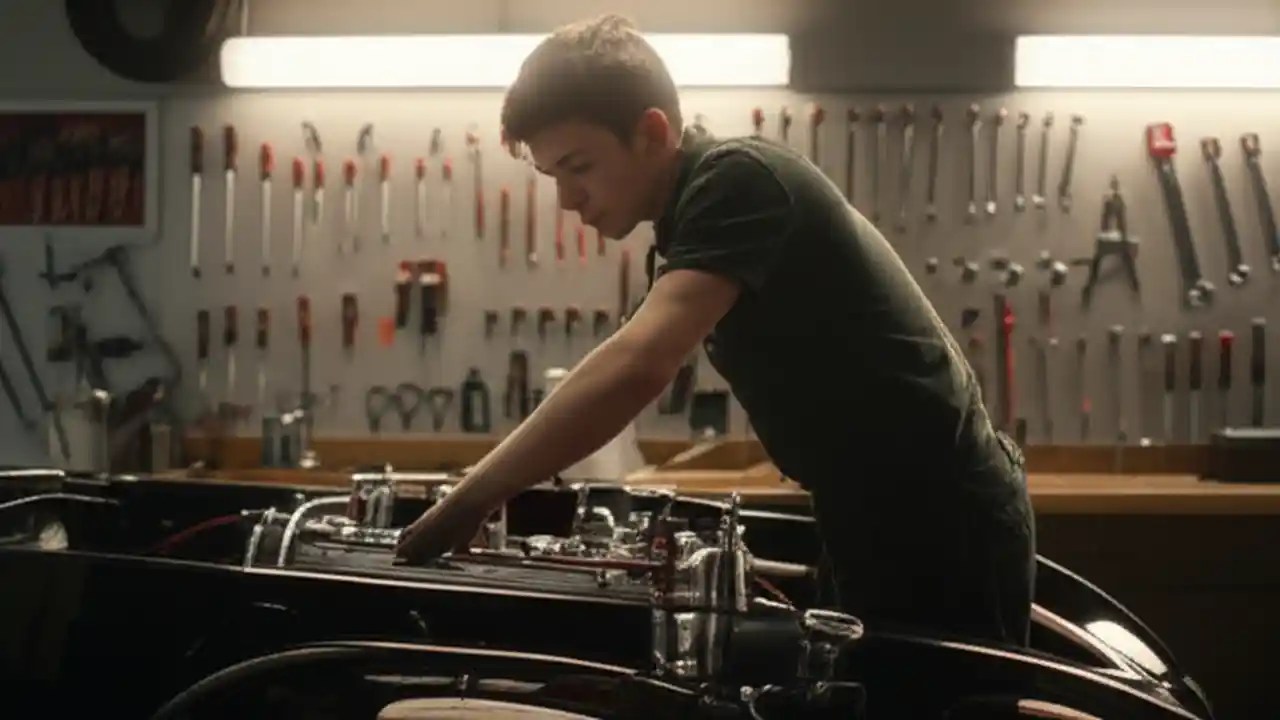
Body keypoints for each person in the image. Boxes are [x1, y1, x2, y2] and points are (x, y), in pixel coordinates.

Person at [395, 13, 1036, 648]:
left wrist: (468, 499)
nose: (568, 200)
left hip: (938, 522)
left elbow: (638, 364)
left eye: (579, 166)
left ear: (652, 132)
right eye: (553, 177)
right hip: (872, 514)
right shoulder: (689, 220)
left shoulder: (738, 180)